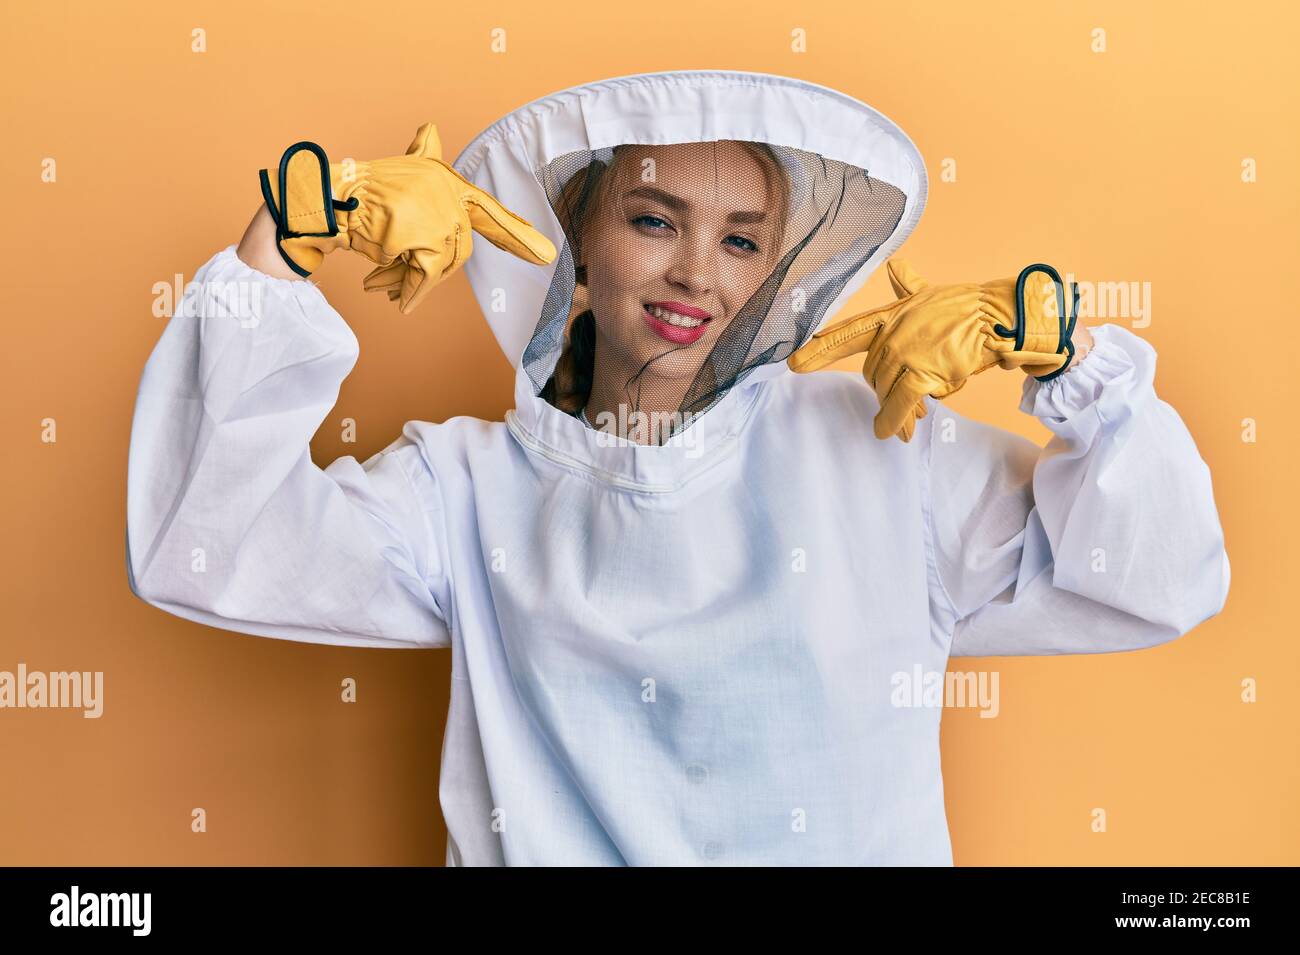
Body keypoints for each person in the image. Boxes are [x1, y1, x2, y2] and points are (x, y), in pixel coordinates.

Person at [126, 70, 1230, 866]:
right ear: (579, 245)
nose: (695, 272)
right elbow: (209, 547)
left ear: (778, 268)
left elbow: (1150, 579)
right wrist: (280, 247)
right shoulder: (463, 490)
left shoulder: (888, 457)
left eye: (743, 239)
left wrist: (1072, 363)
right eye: (654, 220)